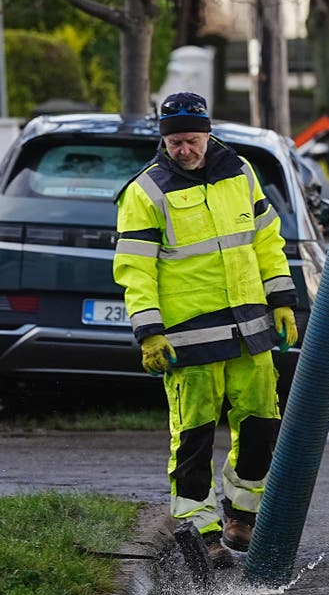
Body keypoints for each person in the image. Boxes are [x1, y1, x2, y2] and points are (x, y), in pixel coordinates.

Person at [113, 92, 298, 568]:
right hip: (188, 339)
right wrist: (149, 332)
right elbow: (135, 269)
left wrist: (281, 300)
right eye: (174, 142)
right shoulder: (146, 192)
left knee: (261, 427)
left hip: (249, 331)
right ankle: (202, 534)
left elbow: (266, 240)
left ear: (208, 134)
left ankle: (241, 516)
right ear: (163, 140)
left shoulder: (240, 172)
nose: (184, 150)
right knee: (193, 438)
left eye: (192, 140)